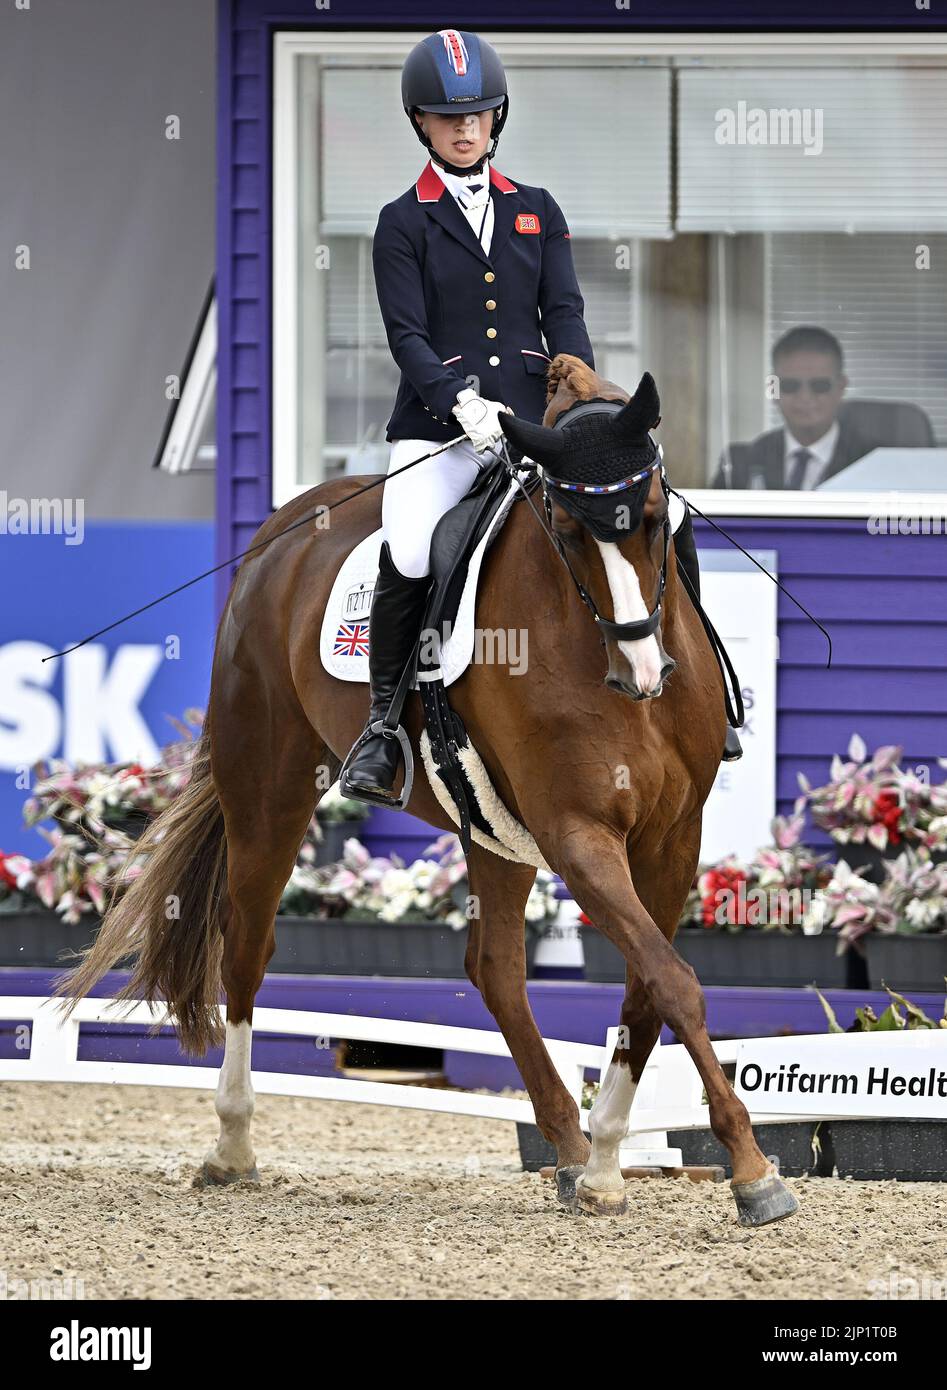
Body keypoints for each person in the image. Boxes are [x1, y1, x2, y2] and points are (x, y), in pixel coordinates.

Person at [341, 28, 739, 805]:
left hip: (540, 431)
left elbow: (563, 310)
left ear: (497, 118)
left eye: (480, 115)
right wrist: (458, 404)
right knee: (414, 544)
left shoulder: (536, 210)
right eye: (447, 117)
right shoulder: (402, 221)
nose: (465, 129)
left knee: (674, 517)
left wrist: (580, 399)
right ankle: (383, 726)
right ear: (419, 122)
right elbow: (406, 337)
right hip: (441, 431)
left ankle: (706, 689)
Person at [714, 326, 873, 490]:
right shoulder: (740, 464)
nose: (804, 397)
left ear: (841, 388)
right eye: (790, 385)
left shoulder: (870, 463)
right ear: (773, 389)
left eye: (819, 385)